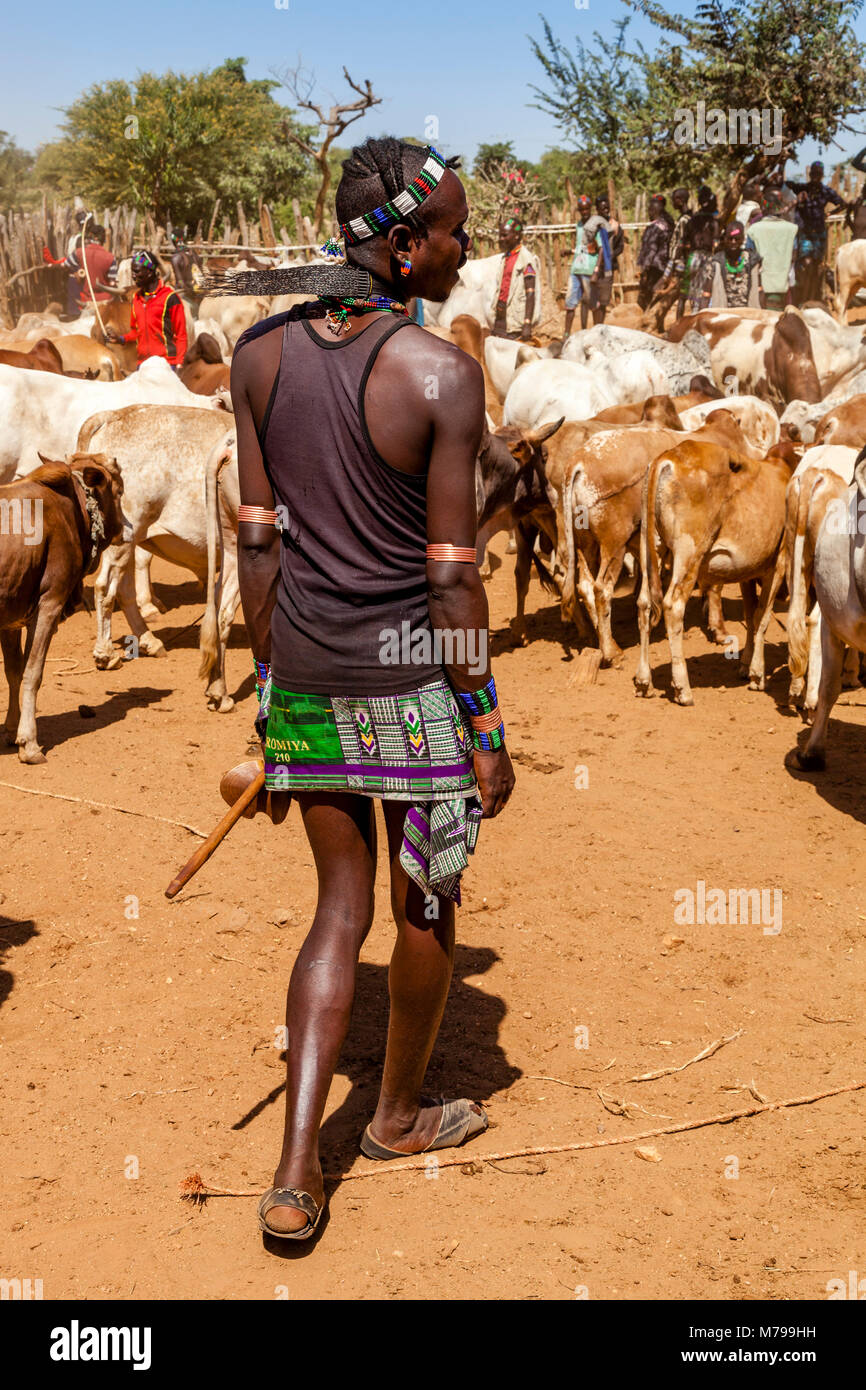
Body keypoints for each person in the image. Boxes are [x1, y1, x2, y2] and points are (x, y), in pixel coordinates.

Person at [229, 136, 515, 1240]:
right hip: (416, 696)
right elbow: (451, 579)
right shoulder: (440, 373)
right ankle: (394, 1114)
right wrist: (483, 726)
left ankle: (297, 1168)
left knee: (335, 910)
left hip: (303, 671)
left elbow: (256, 550)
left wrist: (270, 692)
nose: (461, 245)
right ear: (402, 246)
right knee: (426, 897)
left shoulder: (259, 356)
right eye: (448, 229)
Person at [106, 249, 188, 369]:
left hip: (166, 365)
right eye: (132, 272)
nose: (133, 276)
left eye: (137, 271)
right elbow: (136, 332)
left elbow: (181, 335)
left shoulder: (170, 298)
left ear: (150, 272)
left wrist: (179, 364)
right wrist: (121, 339)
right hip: (143, 365)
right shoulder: (136, 299)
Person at [788, 160, 845, 303]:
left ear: (821, 175)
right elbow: (786, 184)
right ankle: (803, 297)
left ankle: (814, 297)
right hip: (805, 232)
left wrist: (830, 214)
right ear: (810, 173)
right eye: (813, 173)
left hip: (819, 233)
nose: (815, 176)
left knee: (816, 265)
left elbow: (843, 203)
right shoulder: (802, 188)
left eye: (818, 174)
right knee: (805, 264)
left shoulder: (826, 191)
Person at [564, 194, 612, 334]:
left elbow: (601, 248)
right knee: (570, 303)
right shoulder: (579, 225)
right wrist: (570, 251)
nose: (584, 212)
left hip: (589, 269)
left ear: (590, 209)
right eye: (581, 210)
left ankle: (597, 334)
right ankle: (566, 334)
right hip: (576, 268)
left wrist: (596, 270)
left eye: (586, 209)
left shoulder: (595, 224)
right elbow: (583, 247)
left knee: (593, 304)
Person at [490, 216, 538, 339]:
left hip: (514, 318)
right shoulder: (505, 258)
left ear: (516, 236)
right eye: (500, 235)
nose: (501, 239)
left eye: (505, 235)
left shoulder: (526, 259)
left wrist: (527, 324)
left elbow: (530, 293)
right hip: (500, 317)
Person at [748, 189, 797, 308]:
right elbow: (794, 256)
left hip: (761, 285)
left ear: (763, 209)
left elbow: (750, 257)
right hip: (784, 284)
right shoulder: (792, 229)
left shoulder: (753, 230)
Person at [708, 222, 762, 308]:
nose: (733, 242)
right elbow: (706, 293)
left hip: (748, 316)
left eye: (737, 239)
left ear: (743, 239)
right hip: (724, 316)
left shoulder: (752, 260)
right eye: (730, 238)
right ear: (725, 239)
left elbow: (759, 291)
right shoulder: (716, 261)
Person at [636, 194, 672, 310]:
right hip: (661, 266)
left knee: (648, 297)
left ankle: (649, 322)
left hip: (654, 267)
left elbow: (651, 249)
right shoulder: (666, 224)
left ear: (653, 210)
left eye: (650, 209)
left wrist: (645, 270)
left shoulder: (657, 227)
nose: (649, 212)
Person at [73, 225, 118, 309]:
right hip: (106, 302)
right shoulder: (110, 257)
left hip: (86, 301)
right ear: (103, 239)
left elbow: (65, 265)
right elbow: (112, 283)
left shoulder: (78, 253)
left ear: (91, 236)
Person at [682, 215, 716, 314]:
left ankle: (695, 312)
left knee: (693, 290)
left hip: (693, 257)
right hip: (703, 257)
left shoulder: (692, 221)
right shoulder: (713, 222)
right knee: (702, 288)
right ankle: (697, 313)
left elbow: (684, 241)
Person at [169, 231, 204, 311]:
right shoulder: (193, 253)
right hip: (200, 291)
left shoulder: (176, 257)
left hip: (188, 294)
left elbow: (180, 282)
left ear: (173, 241)